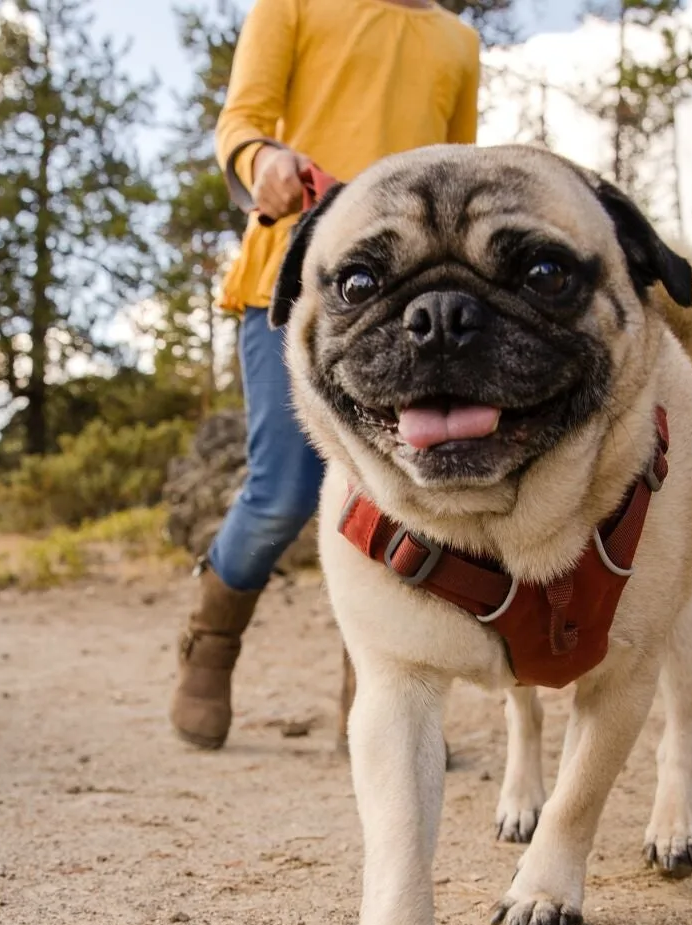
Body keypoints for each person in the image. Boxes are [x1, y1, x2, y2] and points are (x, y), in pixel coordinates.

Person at [168, 0, 481, 750]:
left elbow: (458, 174)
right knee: (282, 495)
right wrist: (265, 162)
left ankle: (377, 699)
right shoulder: (294, 4)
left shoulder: (457, 41)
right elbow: (240, 123)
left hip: (407, 305)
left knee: (400, 492)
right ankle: (208, 646)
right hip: (291, 283)